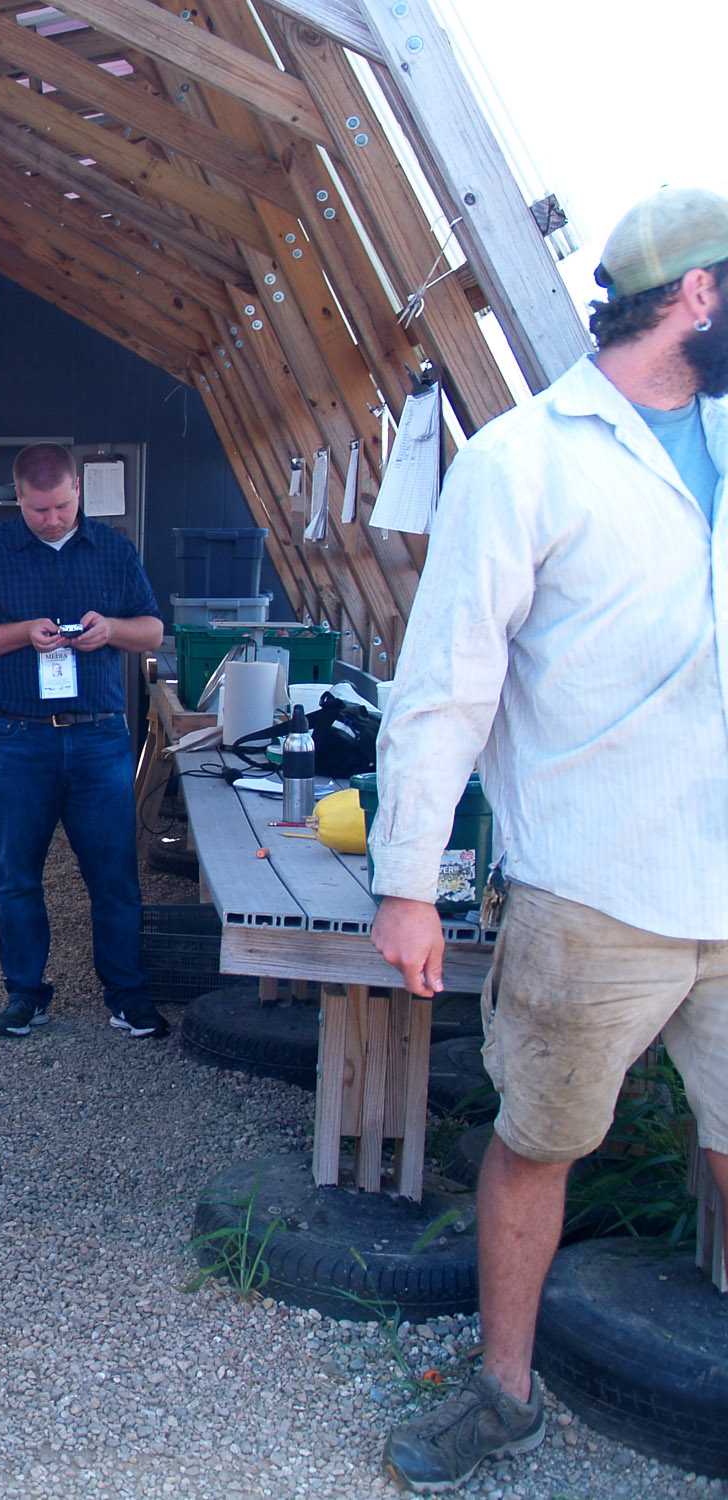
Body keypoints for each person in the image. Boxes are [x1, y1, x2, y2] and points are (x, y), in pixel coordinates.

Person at [369, 188, 728, 1493]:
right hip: (597, 886)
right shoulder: (528, 460)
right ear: (696, 295)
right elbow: (446, 682)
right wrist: (407, 883)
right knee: (540, 1145)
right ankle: (504, 1398)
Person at [0, 443, 167, 1040]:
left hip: (97, 737)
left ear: (79, 492)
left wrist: (111, 630)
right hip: (16, 736)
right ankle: (25, 994)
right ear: (16, 498)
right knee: (17, 873)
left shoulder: (114, 549)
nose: (53, 518)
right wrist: (20, 633)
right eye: (40, 509)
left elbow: (152, 630)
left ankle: (126, 994)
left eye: (64, 505)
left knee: (114, 874)